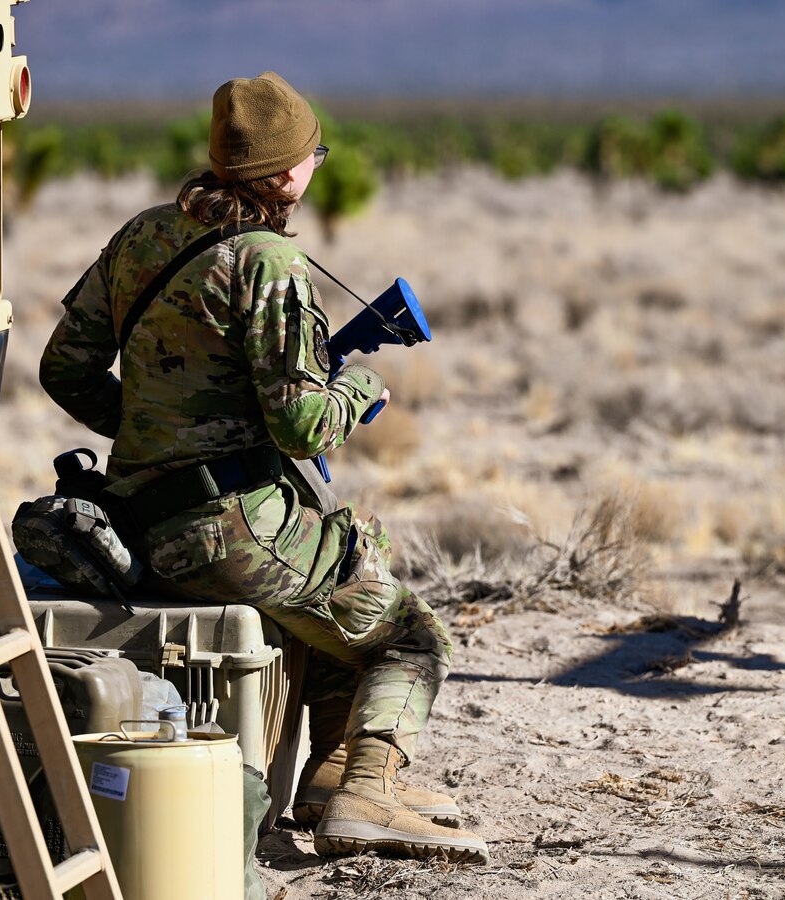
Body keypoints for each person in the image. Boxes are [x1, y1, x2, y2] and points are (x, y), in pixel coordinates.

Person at [39, 71, 488, 864]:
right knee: (413, 636)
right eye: (314, 154)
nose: (316, 165)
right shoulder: (268, 262)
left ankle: (330, 776)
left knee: (340, 580)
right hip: (228, 531)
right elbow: (303, 424)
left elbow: (65, 370)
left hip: (137, 517)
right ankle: (369, 794)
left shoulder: (144, 235)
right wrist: (361, 389)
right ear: (283, 176)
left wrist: (153, 433)